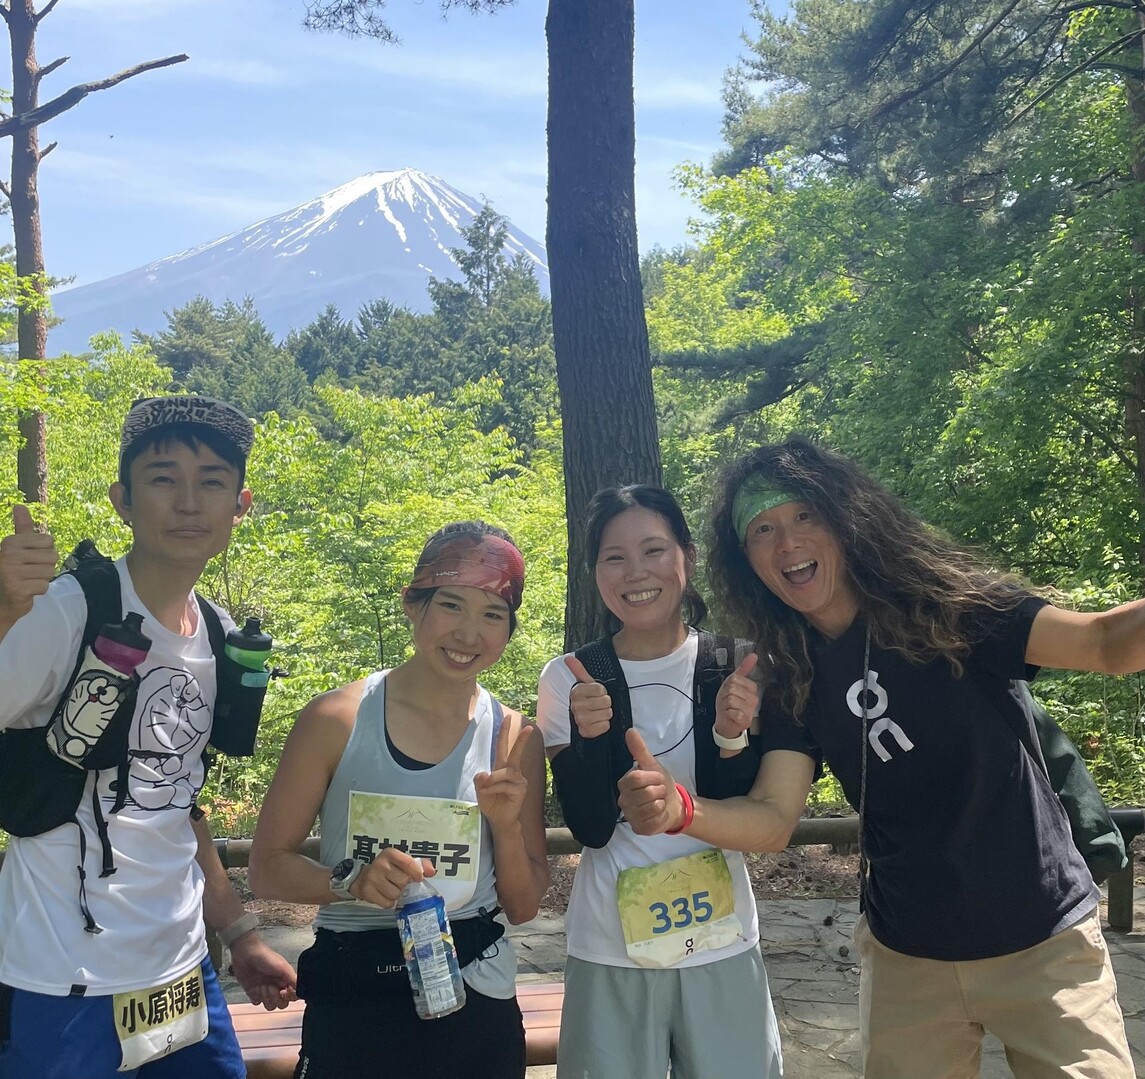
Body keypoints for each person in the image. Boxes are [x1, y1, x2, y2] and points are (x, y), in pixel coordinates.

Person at [697, 435, 1137, 1078]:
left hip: (1042, 939)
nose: (786, 543)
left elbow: (1102, 644)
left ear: (847, 520)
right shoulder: (787, 669)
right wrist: (679, 807)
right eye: (762, 529)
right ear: (746, 560)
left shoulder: (949, 605)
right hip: (908, 956)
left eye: (804, 515)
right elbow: (772, 816)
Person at [0, 395, 297, 1079]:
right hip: (64, 975)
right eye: (163, 479)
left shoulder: (219, 635)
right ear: (122, 500)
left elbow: (177, 801)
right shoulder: (71, 609)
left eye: (211, 481)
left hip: (179, 969)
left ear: (240, 503)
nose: (188, 501)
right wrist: (5, 608)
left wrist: (239, 932)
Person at [248, 520, 549, 1079]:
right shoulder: (335, 720)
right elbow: (267, 869)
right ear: (413, 605)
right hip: (356, 993)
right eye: (451, 605)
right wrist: (350, 881)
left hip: (474, 993)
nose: (469, 633)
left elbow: (525, 905)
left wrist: (505, 828)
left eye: (493, 615)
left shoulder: (514, 738)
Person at [536, 485, 816, 1079]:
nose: (636, 572)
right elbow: (586, 825)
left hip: (723, 937)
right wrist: (587, 742)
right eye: (614, 557)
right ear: (594, 572)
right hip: (611, 943)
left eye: (654, 550)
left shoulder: (739, 664)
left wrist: (734, 734)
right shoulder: (571, 677)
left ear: (686, 556)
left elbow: (751, 812)